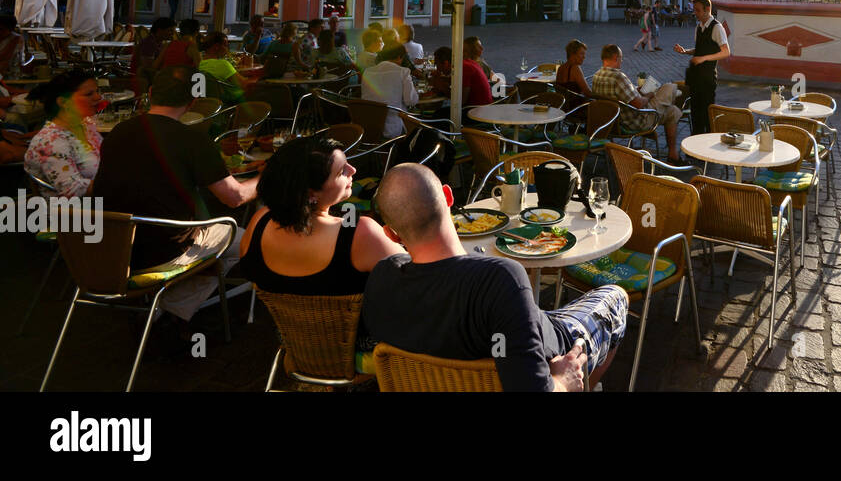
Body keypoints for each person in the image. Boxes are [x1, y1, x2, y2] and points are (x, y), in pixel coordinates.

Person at [363, 163, 628, 391]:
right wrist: (562, 380)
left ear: (391, 234)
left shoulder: (382, 278)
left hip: (518, 335)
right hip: (557, 346)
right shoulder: (499, 280)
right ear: (448, 197)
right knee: (615, 296)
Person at [95, 66, 261, 319]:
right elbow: (234, 197)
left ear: (151, 93)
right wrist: (266, 177)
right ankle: (171, 306)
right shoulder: (191, 139)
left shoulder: (117, 133)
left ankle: (164, 304)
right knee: (241, 238)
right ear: (193, 101)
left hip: (111, 250)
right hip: (163, 255)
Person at [238, 136, 403, 294]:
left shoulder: (259, 221)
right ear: (311, 193)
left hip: (286, 322)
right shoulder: (360, 233)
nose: (353, 170)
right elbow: (416, 279)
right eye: (341, 172)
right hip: (354, 321)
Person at [591, 44, 683, 163]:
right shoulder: (618, 77)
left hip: (610, 122)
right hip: (635, 121)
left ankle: (673, 155)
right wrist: (650, 94)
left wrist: (636, 90)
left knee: (672, 111)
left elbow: (622, 95)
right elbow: (639, 104)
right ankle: (673, 156)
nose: (622, 61)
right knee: (669, 88)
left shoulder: (597, 75)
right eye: (621, 58)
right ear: (615, 57)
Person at [23, 69, 102, 197]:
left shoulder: (86, 127)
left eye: (97, 91)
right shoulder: (50, 142)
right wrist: (118, 184)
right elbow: (72, 190)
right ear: (64, 102)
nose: (98, 97)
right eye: (89, 94)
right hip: (78, 214)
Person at [674, 0, 730, 134]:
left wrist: (704, 58)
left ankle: (707, 146)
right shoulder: (698, 27)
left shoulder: (717, 27)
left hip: (707, 78)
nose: (695, 13)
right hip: (695, 77)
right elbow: (699, 49)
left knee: (706, 115)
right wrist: (686, 51)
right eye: (695, 10)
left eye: (698, 10)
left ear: (708, 9)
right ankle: (695, 146)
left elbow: (725, 52)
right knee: (695, 114)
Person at [361, 46, 420, 139]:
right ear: (399, 57)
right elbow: (411, 101)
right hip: (393, 129)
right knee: (418, 124)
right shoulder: (403, 72)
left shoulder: (367, 72)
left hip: (368, 126)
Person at [428, 45, 492, 124]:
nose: (437, 69)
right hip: (484, 108)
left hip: (476, 113)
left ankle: (449, 135)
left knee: (438, 115)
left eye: (437, 65)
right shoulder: (465, 63)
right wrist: (442, 80)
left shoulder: (463, 69)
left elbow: (460, 101)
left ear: (446, 63)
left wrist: (442, 87)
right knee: (440, 112)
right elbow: (458, 82)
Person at [198, 32, 256, 102]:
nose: (227, 49)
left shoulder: (198, 62)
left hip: (209, 103)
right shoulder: (223, 64)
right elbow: (245, 85)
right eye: (226, 45)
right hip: (232, 102)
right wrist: (259, 78)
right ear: (216, 47)